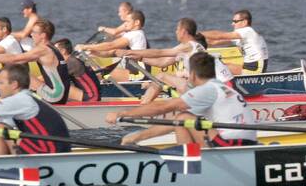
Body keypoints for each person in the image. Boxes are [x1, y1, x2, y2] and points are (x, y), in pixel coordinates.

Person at [105, 52, 255, 147]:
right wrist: (138, 137)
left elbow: (163, 107)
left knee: (183, 117)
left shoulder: (207, 90)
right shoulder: (221, 87)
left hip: (231, 144)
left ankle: (190, 167)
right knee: (184, 118)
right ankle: (192, 161)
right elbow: (173, 124)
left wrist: (122, 114)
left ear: (193, 75)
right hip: (245, 141)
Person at [0, 19, 72, 104]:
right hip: (61, 95)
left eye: (33, 32)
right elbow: (18, 57)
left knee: (21, 73)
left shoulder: (43, 50)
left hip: (54, 96)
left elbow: (15, 58)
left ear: (43, 35)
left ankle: (9, 102)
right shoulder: (51, 48)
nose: (31, 35)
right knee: (20, 71)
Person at [77, 10, 148, 82]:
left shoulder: (136, 34)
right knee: (96, 72)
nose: (125, 24)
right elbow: (111, 52)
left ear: (137, 23)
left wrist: (86, 46)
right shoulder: (130, 34)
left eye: (128, 21)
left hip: (138, 73)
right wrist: (94, 52)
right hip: (130, 68)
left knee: (97, 75)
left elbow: (111, 45)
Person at [202, 9, 269, 75]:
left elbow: (219, 35)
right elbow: (214, 43)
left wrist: (198, 34)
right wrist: (196, 41)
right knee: (225, 64)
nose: (232, 24)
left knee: (218, 67)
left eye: (235, 21)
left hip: (255, 69)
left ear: (244, 22)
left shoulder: (247, 31)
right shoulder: (241, 36)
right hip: (250, 67)